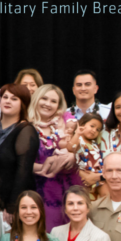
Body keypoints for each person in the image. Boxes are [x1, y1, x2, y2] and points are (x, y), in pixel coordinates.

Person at [30, 84, 81, 230]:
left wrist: (73, 156)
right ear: (36, 99)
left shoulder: (66, 123)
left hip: (69, 191)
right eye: (44, 99)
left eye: (53, 101)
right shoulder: (26, 125)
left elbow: (83, 149)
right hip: (40, 193)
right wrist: (49, 166)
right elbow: (20, 163)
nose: (47, 104)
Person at [0, 84, 38, 215]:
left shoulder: (26, 130)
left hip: (11, 202)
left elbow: (23, 173)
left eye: (14, 99)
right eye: (5, 97)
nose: (7, 101)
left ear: (23, 104)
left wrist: (12, 207)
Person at [72, 113, 106, 199]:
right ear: (82, 124)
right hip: (83, 178)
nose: (94, 130)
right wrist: (77, 134)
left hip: (96, 177)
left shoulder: (95, 144)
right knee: (84, 199)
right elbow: (71, 148)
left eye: (98, 129)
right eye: (92, 126)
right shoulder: (79, 140)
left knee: (104, 196)